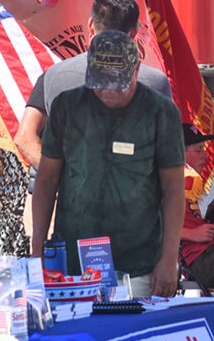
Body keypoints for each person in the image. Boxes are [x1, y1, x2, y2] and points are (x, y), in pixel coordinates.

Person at [30, 31, 184, 298]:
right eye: (99, 81)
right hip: (73, 264)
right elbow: (46, 180)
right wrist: (37, 249)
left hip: (139, 266)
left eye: (116, 83)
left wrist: (169, 259)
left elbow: (173, 189)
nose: (106, 91)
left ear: (136, 69)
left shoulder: (161, 112)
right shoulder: (67, 106)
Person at [15, 0, 173, 237]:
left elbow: (24, 137)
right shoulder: (156, 82)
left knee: (62, 274)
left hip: (59, 204)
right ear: (134, 33)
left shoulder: (53, 76)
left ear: (91, 25)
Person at [179, 123, 214, 292]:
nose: (206, 155)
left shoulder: (185, 180)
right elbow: (149, 226)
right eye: (198, 149)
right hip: (201, 260)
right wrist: (191, 234)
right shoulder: (179, 180)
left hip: (209, 253)